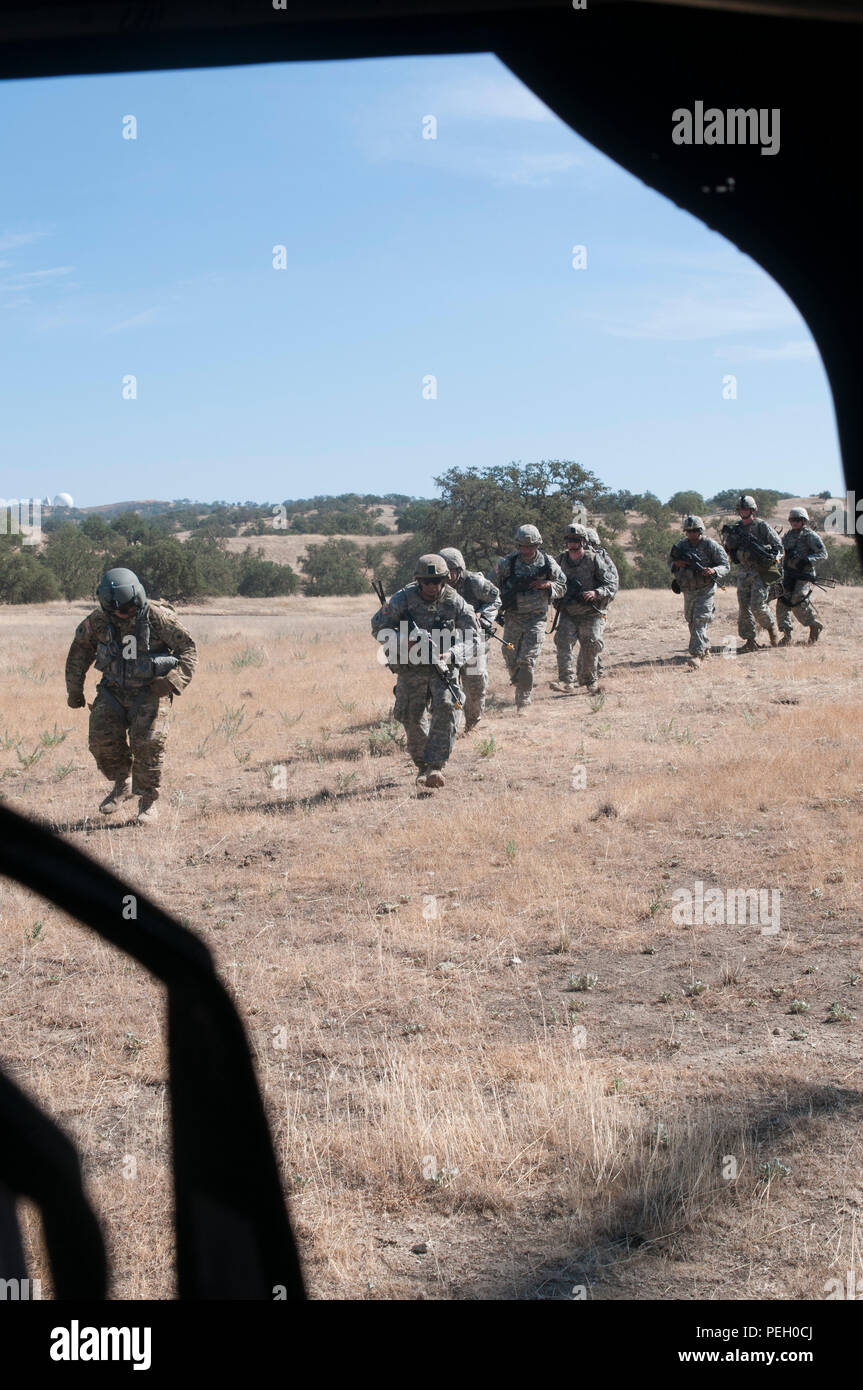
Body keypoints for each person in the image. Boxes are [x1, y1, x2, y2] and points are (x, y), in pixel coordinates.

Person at [65, 567, 197, 825]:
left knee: (149, 744)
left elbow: (189, 650)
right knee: (100, 740)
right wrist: (74, 690)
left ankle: (148, 802)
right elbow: (79, 653)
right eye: (115, 610)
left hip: (150, 692)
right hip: (112, 690)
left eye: (126, 609)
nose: (121, 614)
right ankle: (121, 783)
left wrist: (172, 681)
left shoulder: (158, 618)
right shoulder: (99, 620)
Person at [371, 554, 478, 789]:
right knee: (411, 715)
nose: (431, 587)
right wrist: (404, 640)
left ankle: (436, 766)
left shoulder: (455, 601)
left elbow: (472, 637)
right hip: (411, 667)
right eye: (426, 582)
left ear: (445, 580)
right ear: (418, 581)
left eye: (436, 581)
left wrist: (452, 654)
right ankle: (422, 766)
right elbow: (378, 628)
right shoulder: (402, 599)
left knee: (448, 706)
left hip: (442, 665)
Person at [494, 525, 566, 713]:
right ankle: (520, 682)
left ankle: (523, 701)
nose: (526, 551)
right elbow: (492, 589)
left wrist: (548, 585)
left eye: (530, 546)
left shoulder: (548, 563)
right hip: (513, 617)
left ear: (537, 544)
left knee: (526, 659)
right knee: (510, 655)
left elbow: (563, 586)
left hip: (537, 617)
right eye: (522, 546)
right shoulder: (506, 564)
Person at [550, 523, 618, 695]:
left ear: (583, 541)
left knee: (591, 645)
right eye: (569, 540)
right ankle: (566, 681)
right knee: (563, 641)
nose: (572, 544)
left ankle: (590, 681)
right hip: (568, 611)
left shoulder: (594, 559)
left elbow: (611, 584)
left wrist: (596, 592)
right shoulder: (560, 561)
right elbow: (549, 579)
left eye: (576, 540)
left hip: (591, 613)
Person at [438, 547, 500, 733]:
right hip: (447, 641)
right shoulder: (434, 586)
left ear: (460, 569)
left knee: (475, 682)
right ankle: (451, 729)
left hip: (474, 638)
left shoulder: (475, 582)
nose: (448, 577)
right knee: (450, 685)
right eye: (444, 573)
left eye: (452, 572)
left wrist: (483, 615)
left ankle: (472, 720)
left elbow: (496, 599)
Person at [721, 495, 783, 652]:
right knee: (743, 607)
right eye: (741, 509)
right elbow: (727, 548)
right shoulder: (736, 528)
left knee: (757, 605)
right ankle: (750, 640)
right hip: (743, 571)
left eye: (746, 509)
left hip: (759, 571)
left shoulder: (761, 526)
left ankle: (771, 628)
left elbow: (778, 547)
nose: (743, 511)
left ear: (752, 510)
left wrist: (773, 558)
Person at [669, 516, 730, 667]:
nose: (692, 534)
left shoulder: (710, 545)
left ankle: (697, 655)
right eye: (689, 531)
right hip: (688, 589)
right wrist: (677, 564)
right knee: (691, 620)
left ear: (701, 530)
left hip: (706, 589)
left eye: (695, 531)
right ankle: (706, 650)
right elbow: (670, 562)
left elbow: (725, 565)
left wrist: (713, 571)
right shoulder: (681, 546)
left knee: (699, 619)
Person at [777, 506, 828, 644]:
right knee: (782, 602)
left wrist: (806, 560)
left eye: (798, 520)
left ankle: (814, 625)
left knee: (798, 601)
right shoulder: (787, 536)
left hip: (804, 576)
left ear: (804, 521)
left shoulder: (810, 536)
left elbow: (823, 554)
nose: (795, 522)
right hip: (789, 575)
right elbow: (780, 552)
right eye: (792, 520)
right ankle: (786, 635)